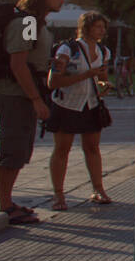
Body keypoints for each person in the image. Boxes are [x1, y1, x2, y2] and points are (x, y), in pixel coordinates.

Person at [0, 0, 62, 225]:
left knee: (20, 149)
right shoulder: (27, 22)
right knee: (12, 148)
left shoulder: (36, 23)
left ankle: (6, 200)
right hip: (14, 95)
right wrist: (35, 99)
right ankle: (5, 204)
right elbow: (18, 65)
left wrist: (50, 65)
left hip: (23, 93)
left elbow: (29, 59)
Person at [47, 11, 113, 210]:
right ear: (86, 28)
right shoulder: (68, 49)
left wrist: (104, 85)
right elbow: (53, 81)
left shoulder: (103, 51)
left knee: (92, 147)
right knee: (62, 149)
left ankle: (98, 189)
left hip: (90, 104)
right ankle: (58, 195)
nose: (102, 31)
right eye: (97, 27)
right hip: (68, 104)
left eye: (103, 27)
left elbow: (102, 77)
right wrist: (86, 75)